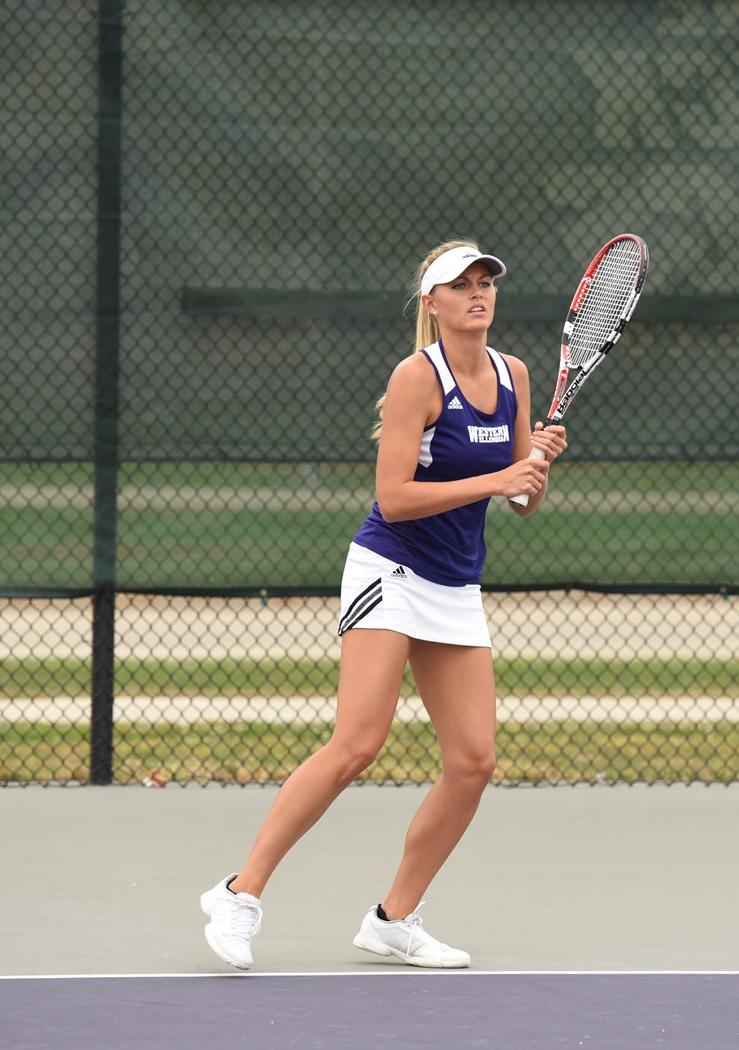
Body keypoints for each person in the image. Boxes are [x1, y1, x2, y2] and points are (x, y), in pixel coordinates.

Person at [199, 240, 567, 970]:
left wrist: (534, 471)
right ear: (431, 303)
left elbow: (522, 500)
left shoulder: (514, 374)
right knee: (357, 744)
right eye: (459, 285)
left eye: (485, 281)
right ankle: (240, 894)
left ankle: (394, 919)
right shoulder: (415, 378)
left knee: (474, 761)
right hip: (391, 569)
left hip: (455, 583)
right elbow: (394, 498)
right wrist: (495, 482)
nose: (477, 293)